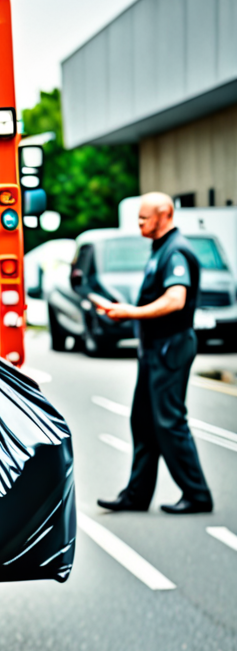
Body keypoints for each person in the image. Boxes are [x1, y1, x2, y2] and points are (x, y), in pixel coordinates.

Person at [96, 192, 213, 515]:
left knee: (169, 421)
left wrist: (130, 313)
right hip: (156, 348)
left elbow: (176, 299)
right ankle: (136, 496)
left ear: (165, 215)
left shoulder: (176, 252)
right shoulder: (160, 248)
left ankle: (197, 495)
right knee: (144, 421)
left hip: (170, 346)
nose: (139, 224)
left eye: (144, 218)